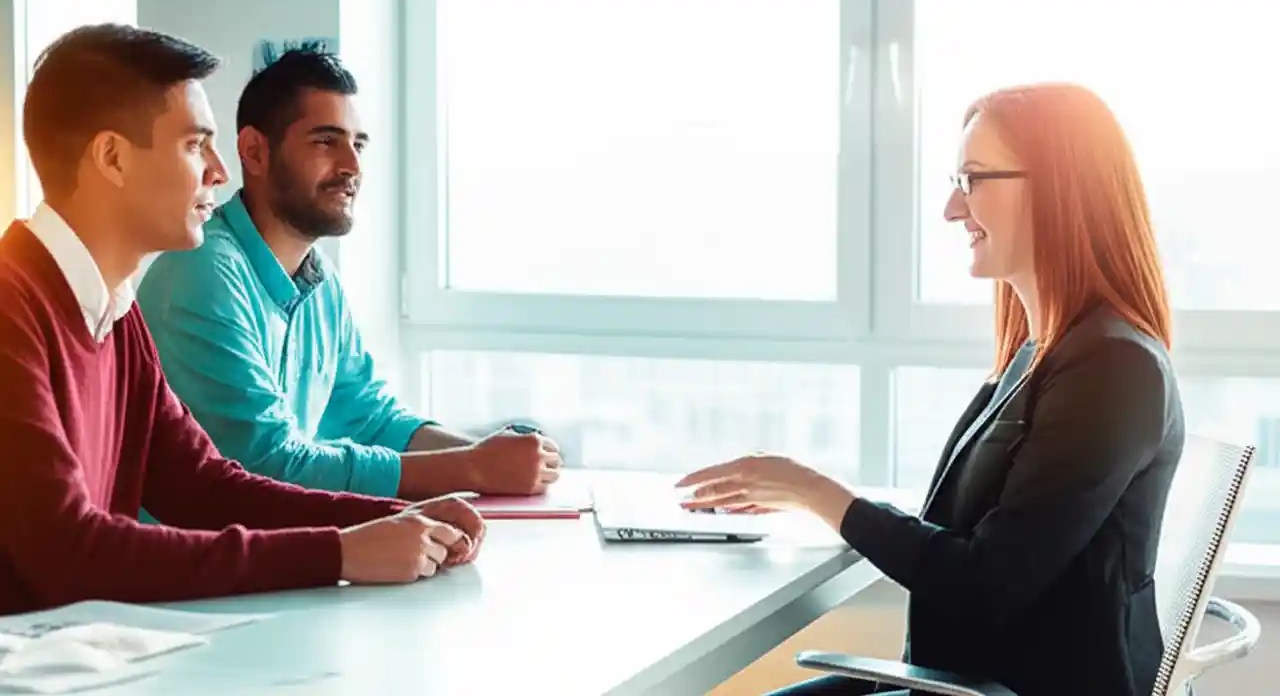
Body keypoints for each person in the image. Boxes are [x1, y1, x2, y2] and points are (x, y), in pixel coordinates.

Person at [678, 83, 1184, 696]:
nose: (951, 207)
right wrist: (811, 494)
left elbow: (984, 583)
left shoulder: (1111, 368)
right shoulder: (1041, 353)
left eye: (973, 179)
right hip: (957, 683)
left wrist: (815, 492)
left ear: (1058, 187)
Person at [0, 24, 485, 616]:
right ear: (113, 159)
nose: (219, 171)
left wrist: (393, 518)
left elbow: (205, 486)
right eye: (193, 145)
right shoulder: (11, 307)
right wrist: (338, 554)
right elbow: (70, 551)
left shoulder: (115, 317)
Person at [136, 46, 562, 501]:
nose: (353, 167)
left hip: (281, 554)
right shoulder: (201, 274)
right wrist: (474, 469)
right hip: (200, 562)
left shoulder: (321, 283)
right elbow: (270, 463)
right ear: (254, 152)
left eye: (358, 144)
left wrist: (491, 458)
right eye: (325, 141)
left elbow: (370, 418)